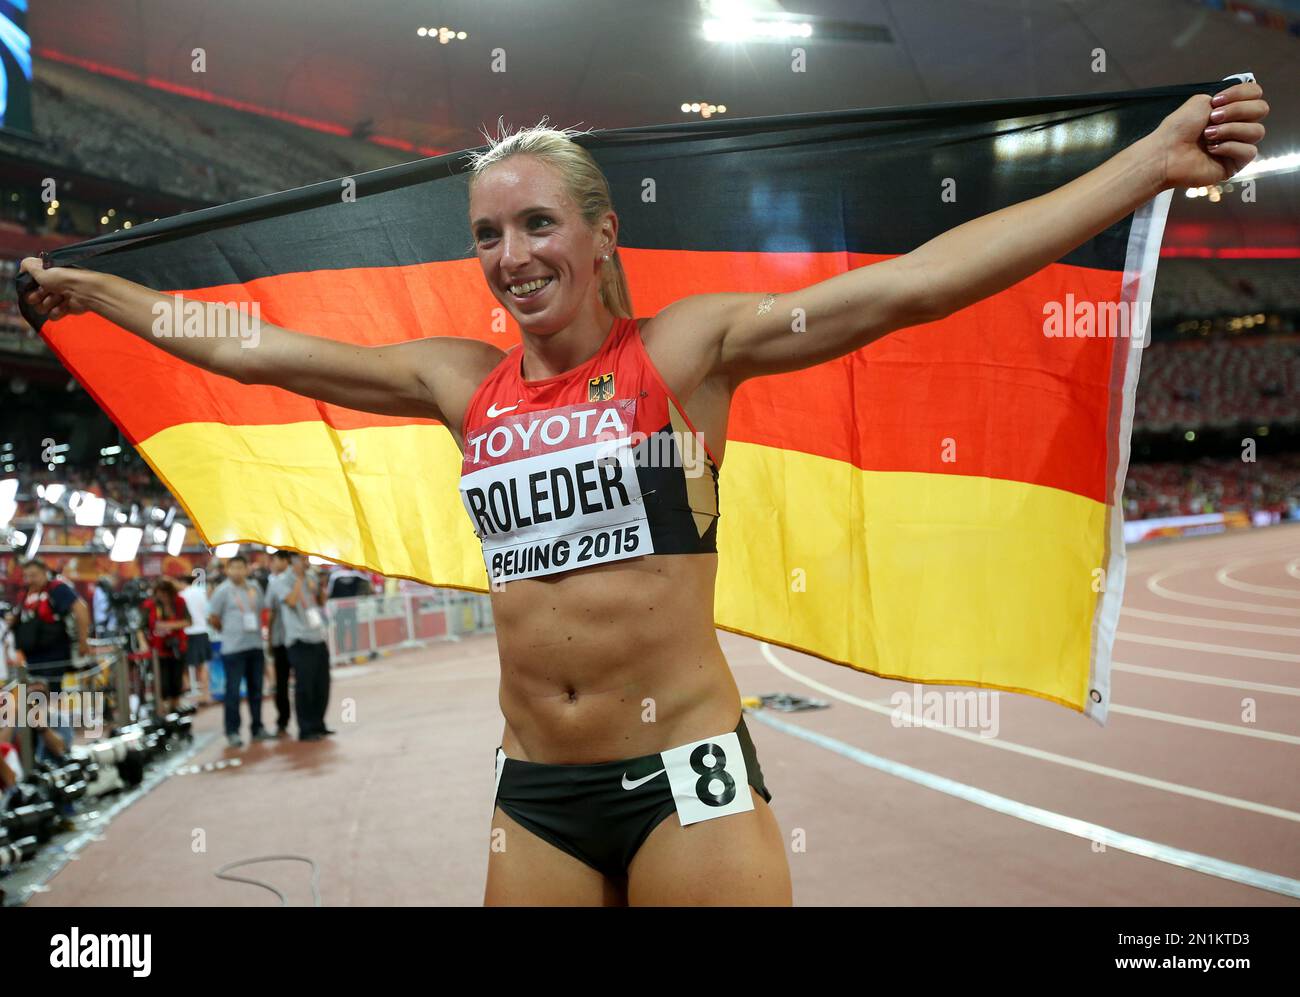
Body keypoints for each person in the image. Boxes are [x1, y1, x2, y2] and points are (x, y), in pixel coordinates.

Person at [18, 82, 1269, 905]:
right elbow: (252, 347)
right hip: (538, 791)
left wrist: (1147, 166)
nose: (512, 258)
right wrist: (105, 297)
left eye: (539, 225)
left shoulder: (689, 355)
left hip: (688, 775)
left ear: (603, 234)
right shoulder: (460, 383)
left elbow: (918, 285)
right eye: (489, 235)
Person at [9, 559, 89, 756]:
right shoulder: (25, 594)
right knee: (33, 707)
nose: (30, 580)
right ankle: (38, 751)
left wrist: (83, 641)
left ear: (45, 572)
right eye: (26, 576)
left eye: (34, 575)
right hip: (32, 661)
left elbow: (81, 609)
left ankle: (57, 749)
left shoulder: (57, 589)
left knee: (49, 707)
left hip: (54, 658)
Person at [205, 555, 274, 748]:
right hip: (233, 648)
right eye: (233, 568)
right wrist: (226, 630)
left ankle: (257, 727)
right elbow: (213, 617)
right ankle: (232, 731)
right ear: (228, 570)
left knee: (256, 690)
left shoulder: (254, 588)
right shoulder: (222, 591)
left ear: (246, 569)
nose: (237, 571)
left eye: (240, 568)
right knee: (233, 692)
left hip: (255, 645)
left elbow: (260, 611)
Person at [278, 553, 333, 741]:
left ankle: (319, 723)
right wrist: (299, 579)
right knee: (304, 686)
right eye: (303, 559)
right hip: (299, 640)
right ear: (293, 561)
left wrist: (320, 587)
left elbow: (321, 602)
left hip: (317, 636)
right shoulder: (282, 581)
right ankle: (306, 728)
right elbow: (292, 602)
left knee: (322, 684)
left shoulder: (311, 577)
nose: (307, 562)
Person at [143, 578, 190, 714]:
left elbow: (188, 621)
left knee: (176, 680)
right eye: (160, 593)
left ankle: (175, 708)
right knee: (162, 682)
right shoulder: (150, 605)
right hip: (158, 649)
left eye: (166, 593)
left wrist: (169, 625)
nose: (163, 597)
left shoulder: (179, 602)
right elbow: (142, 626)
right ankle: (163, 710)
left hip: (177, 646)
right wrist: (144, 644)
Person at [263, 550, 294, 736]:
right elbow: (271, 612)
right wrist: (271, 639)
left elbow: (272, 614)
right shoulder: (273, 583)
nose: (272, 564)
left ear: (285, 561)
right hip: (281, 640)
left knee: (285, 683)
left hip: (293, 639)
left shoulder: (279, 582)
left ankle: (289, 720)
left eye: (274, 560)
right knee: (281, 683)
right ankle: (283, 720)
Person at [177, 573, 213, 706]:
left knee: (186, 665)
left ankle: (190, 691)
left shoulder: (182, 596)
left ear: (182, 582)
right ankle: (206, 693)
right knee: (203, 664)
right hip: (202, 630)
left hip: (188, 633)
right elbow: (207, 611)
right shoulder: (201, 592)